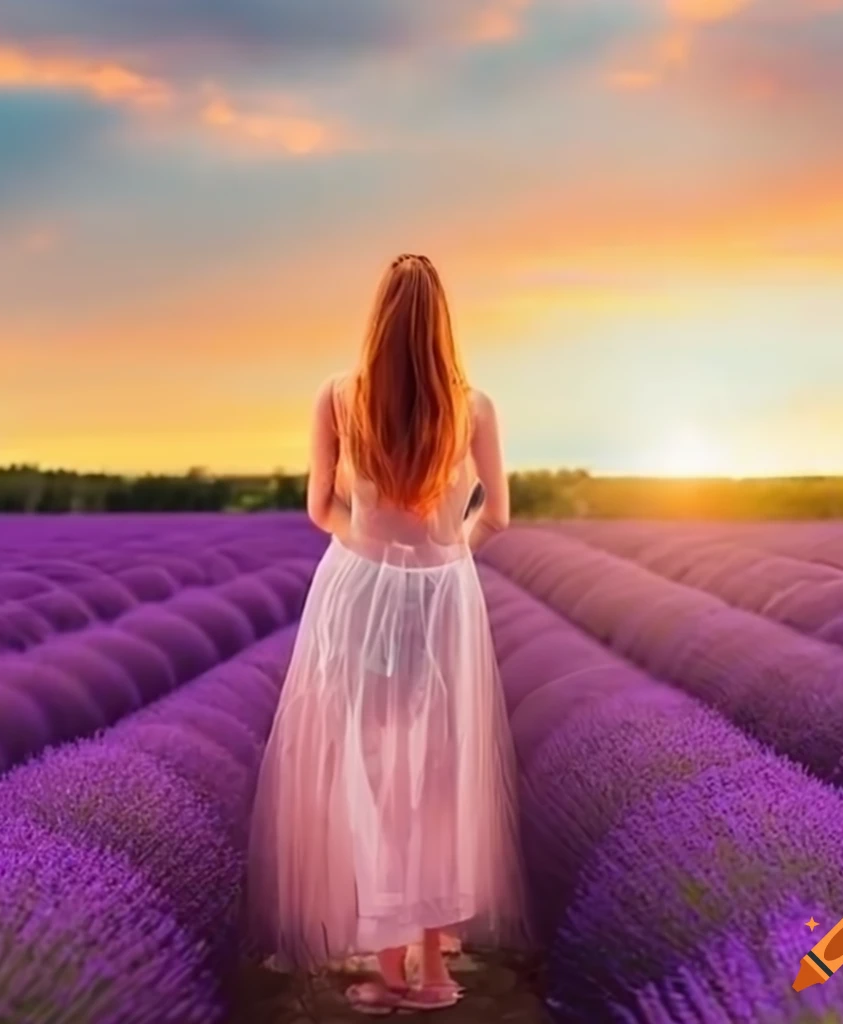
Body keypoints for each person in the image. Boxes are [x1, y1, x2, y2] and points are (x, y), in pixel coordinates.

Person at [245, 253, 530, 1015]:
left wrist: (369, 548)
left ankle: (390, 967)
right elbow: (497, 516)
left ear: (377, 319)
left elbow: (318, 511)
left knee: (369, 771)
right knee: (439, 775)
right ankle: (436, 969)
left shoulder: (340, 397)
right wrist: (440, 556)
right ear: (440, 322)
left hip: (358, 593)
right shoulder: (473, 408)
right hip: (443, 597)